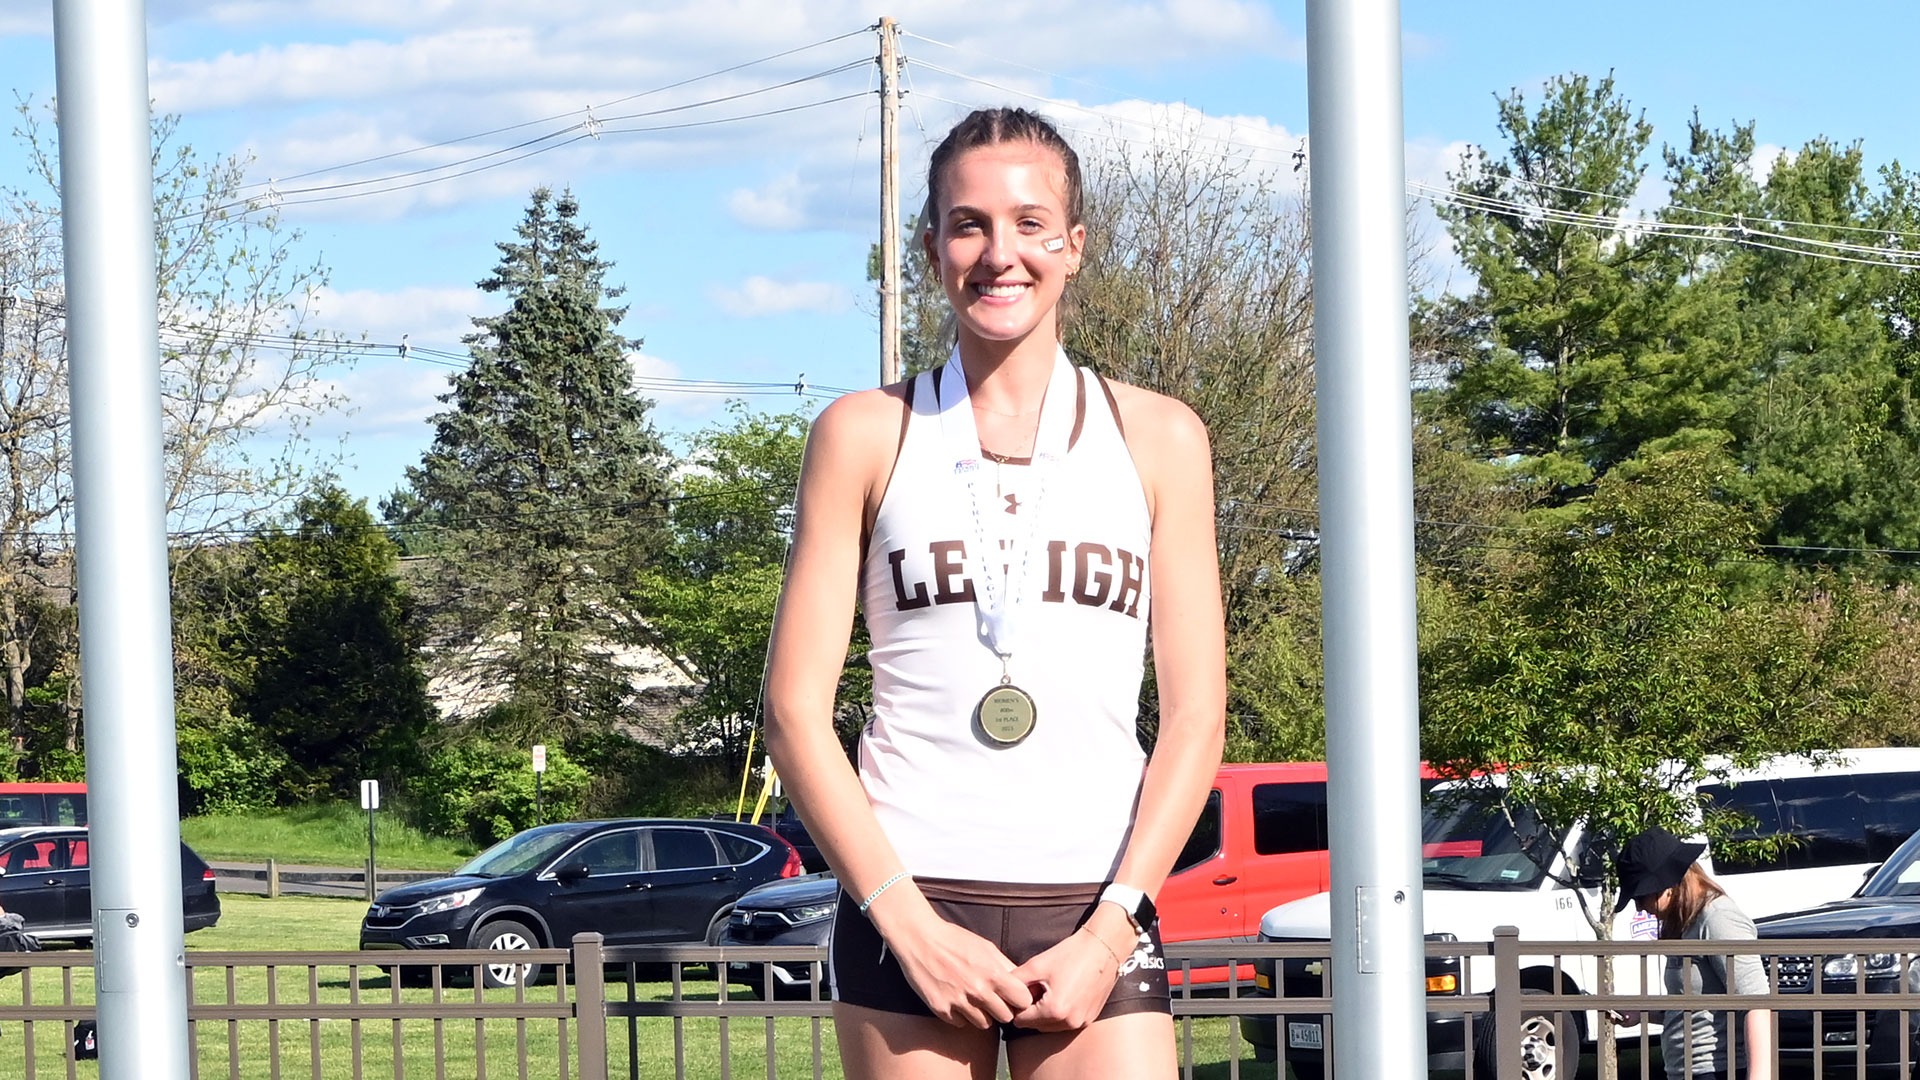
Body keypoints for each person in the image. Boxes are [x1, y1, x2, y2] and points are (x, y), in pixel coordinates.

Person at [764, 106, 1226, 1079]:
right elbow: (794, 713)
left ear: (1074, 246)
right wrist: (907, 925)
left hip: (1096, 905)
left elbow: (1195, 717)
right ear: (931, 247)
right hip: (910, 902)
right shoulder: (863, 434)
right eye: (968, 224)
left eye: (1029, 222)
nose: (998, 253)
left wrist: (1111, 932)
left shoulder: (1161, 438)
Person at [1615, 826, 1773, 1080]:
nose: (1640, 908)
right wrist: (1642, 1014)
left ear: (1666, 885)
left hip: (1717, 1069)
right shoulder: (1686, 923)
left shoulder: (1718, 918)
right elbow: (1693, 1006)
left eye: (1640, 897)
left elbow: (1758, 1004)